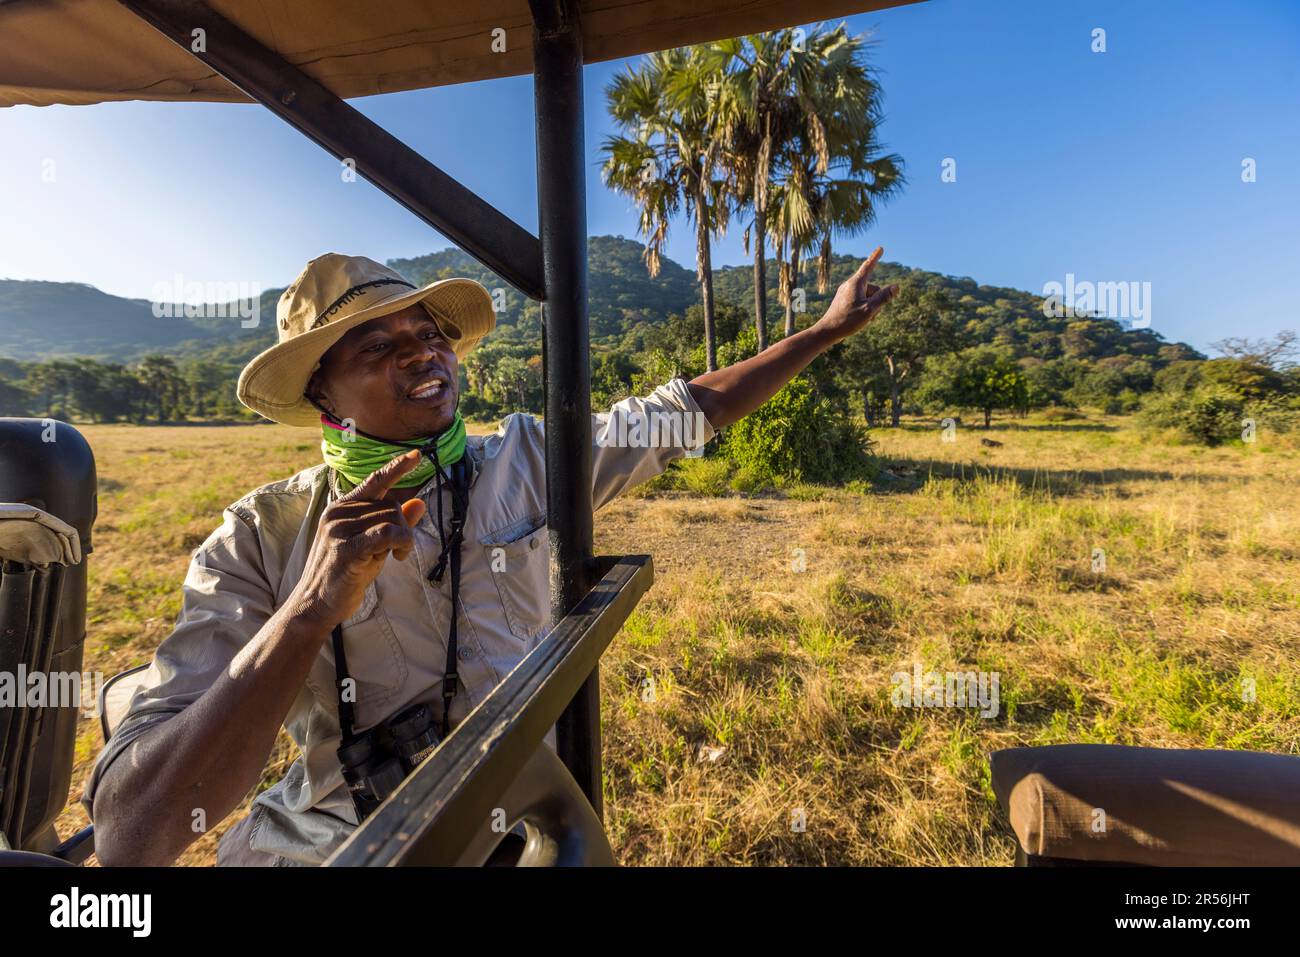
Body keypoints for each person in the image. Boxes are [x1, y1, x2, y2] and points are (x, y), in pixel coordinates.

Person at [86, 249, 897, 866]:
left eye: (429, 332)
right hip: (333, 840)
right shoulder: (260, 536)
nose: (422, 353)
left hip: (514, 825)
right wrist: (309, 607)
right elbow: (134, 831)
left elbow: (686, 412)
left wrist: (822, 333)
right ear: (322, 397)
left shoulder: (522, 461)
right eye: (377, 345)